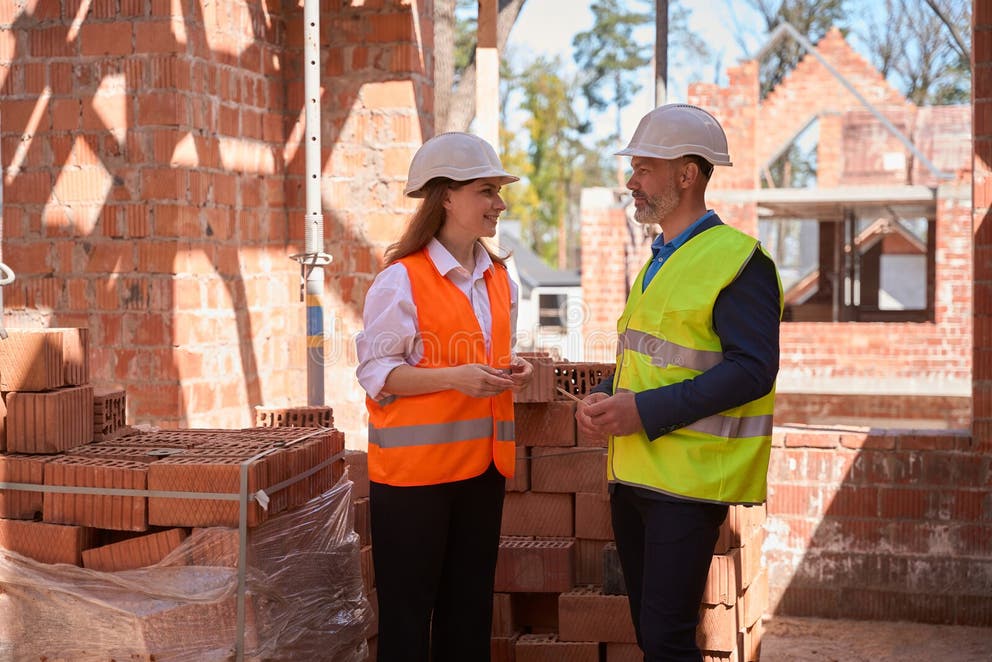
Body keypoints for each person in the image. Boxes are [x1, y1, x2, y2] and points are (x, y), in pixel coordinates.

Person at [576, 104, 783, 662]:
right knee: (653, 639)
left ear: (687, 174)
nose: (631, 182)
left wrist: (643, 412)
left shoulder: (739, 261)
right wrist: (604, 394)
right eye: (633, 169)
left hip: (689, 485)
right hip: (634, 476)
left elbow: (753, 370)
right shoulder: (659, 260)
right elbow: (650, 360)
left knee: (667, 643)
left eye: (644, 169)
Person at [355, 131, 533, 662]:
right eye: (486, 191)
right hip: (414, 482)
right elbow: (376, 373)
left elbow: (487, 353)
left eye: (499, 191)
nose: (499, 203)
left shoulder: (500, 278)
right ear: (447, 197)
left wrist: (512, 369)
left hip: (481, 473)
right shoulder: (400, 281)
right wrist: (455, 378)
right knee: (408, 625)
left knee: (468, 618)